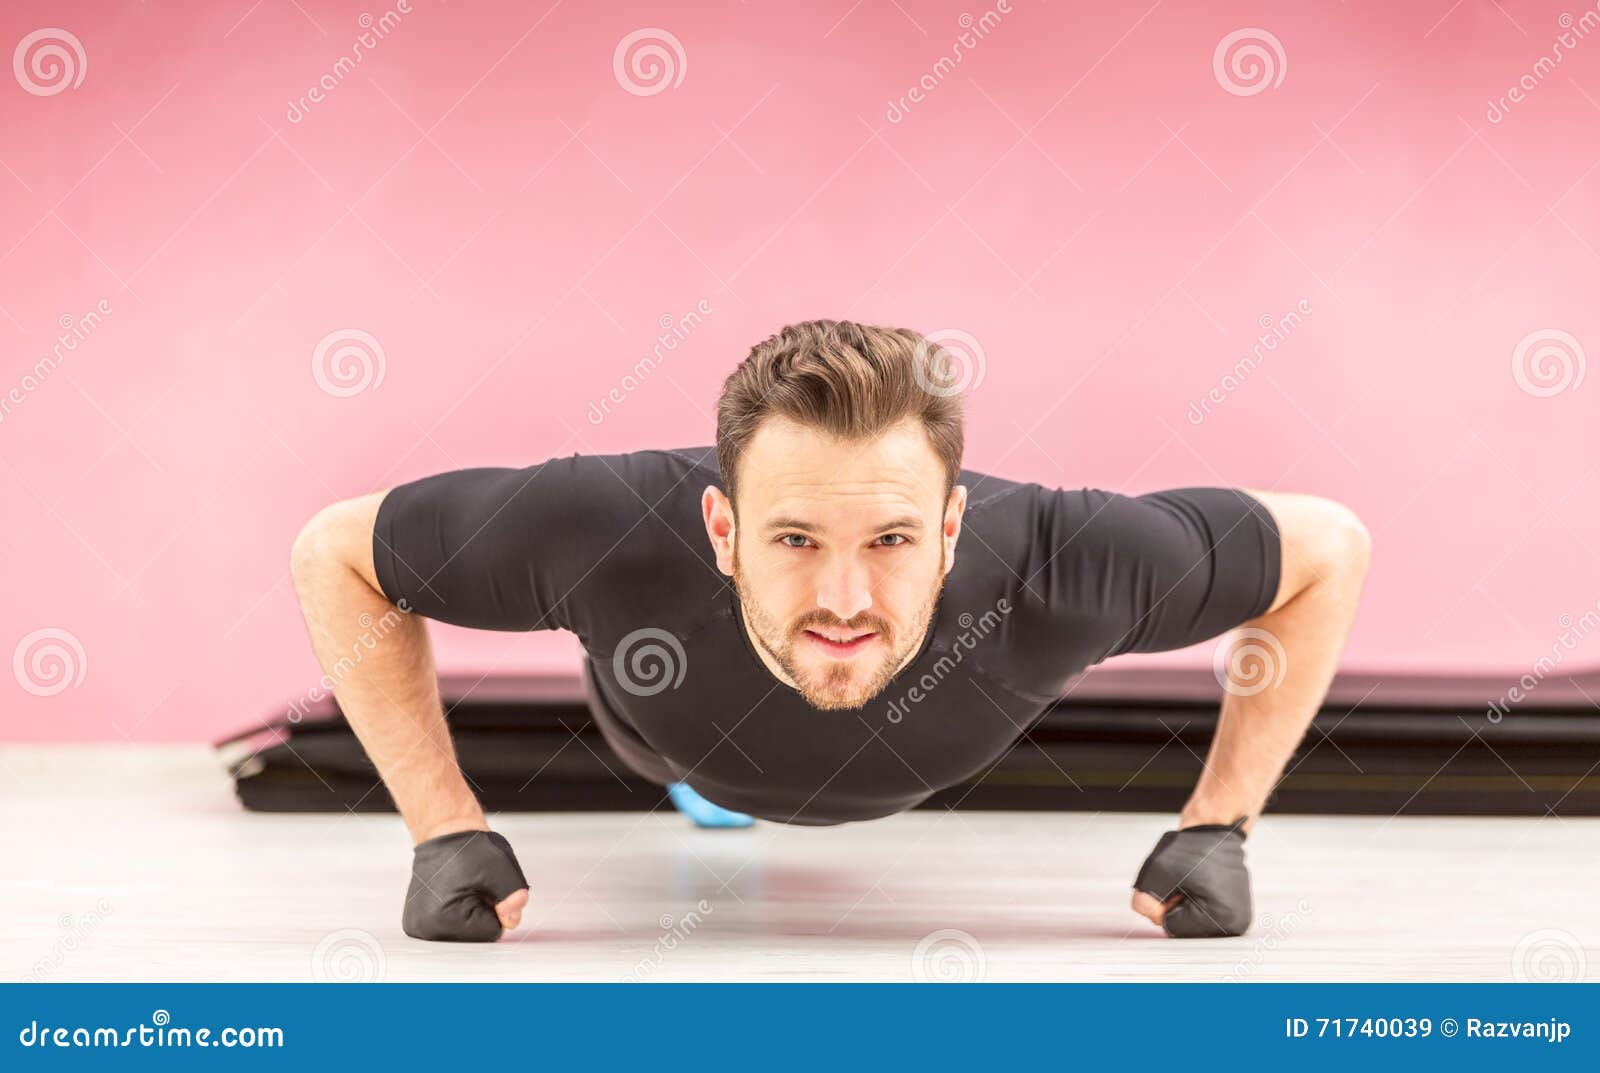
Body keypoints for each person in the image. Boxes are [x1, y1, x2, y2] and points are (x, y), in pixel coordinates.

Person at [289, 319, 1372, 943]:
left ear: (953, 527)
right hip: (665, 733)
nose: (845, 597)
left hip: (904, 752)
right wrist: (442, 828)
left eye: (892, 539)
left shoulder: (1061, 561)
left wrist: (1218, 825)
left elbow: (1326, 546)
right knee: (691, 771)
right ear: (719, 526)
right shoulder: (603, 528)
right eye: (795, 537)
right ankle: (701, 791)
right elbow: (334, 552)